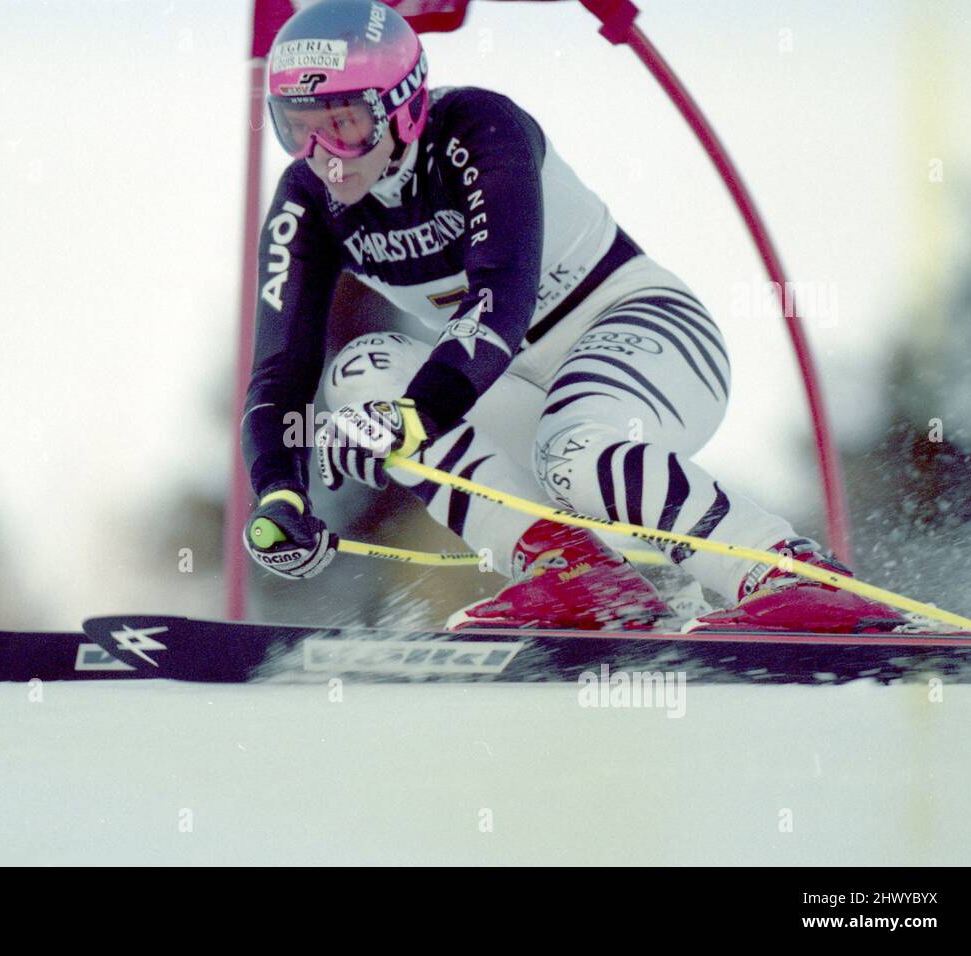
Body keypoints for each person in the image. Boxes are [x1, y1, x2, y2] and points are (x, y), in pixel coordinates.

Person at [241, 0, 904, 633]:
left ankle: (791, 576)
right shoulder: (308, 200)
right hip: (514, 384)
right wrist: (278, 494)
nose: (322, 153)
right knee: (363, 373)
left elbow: (499, 302)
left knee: (572, 450)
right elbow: (279, 373)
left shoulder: (479, 128)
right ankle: (572, 572)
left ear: (405, 108)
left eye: (345, 122)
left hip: (647, 334)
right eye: (297, 126)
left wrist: (408, 420)